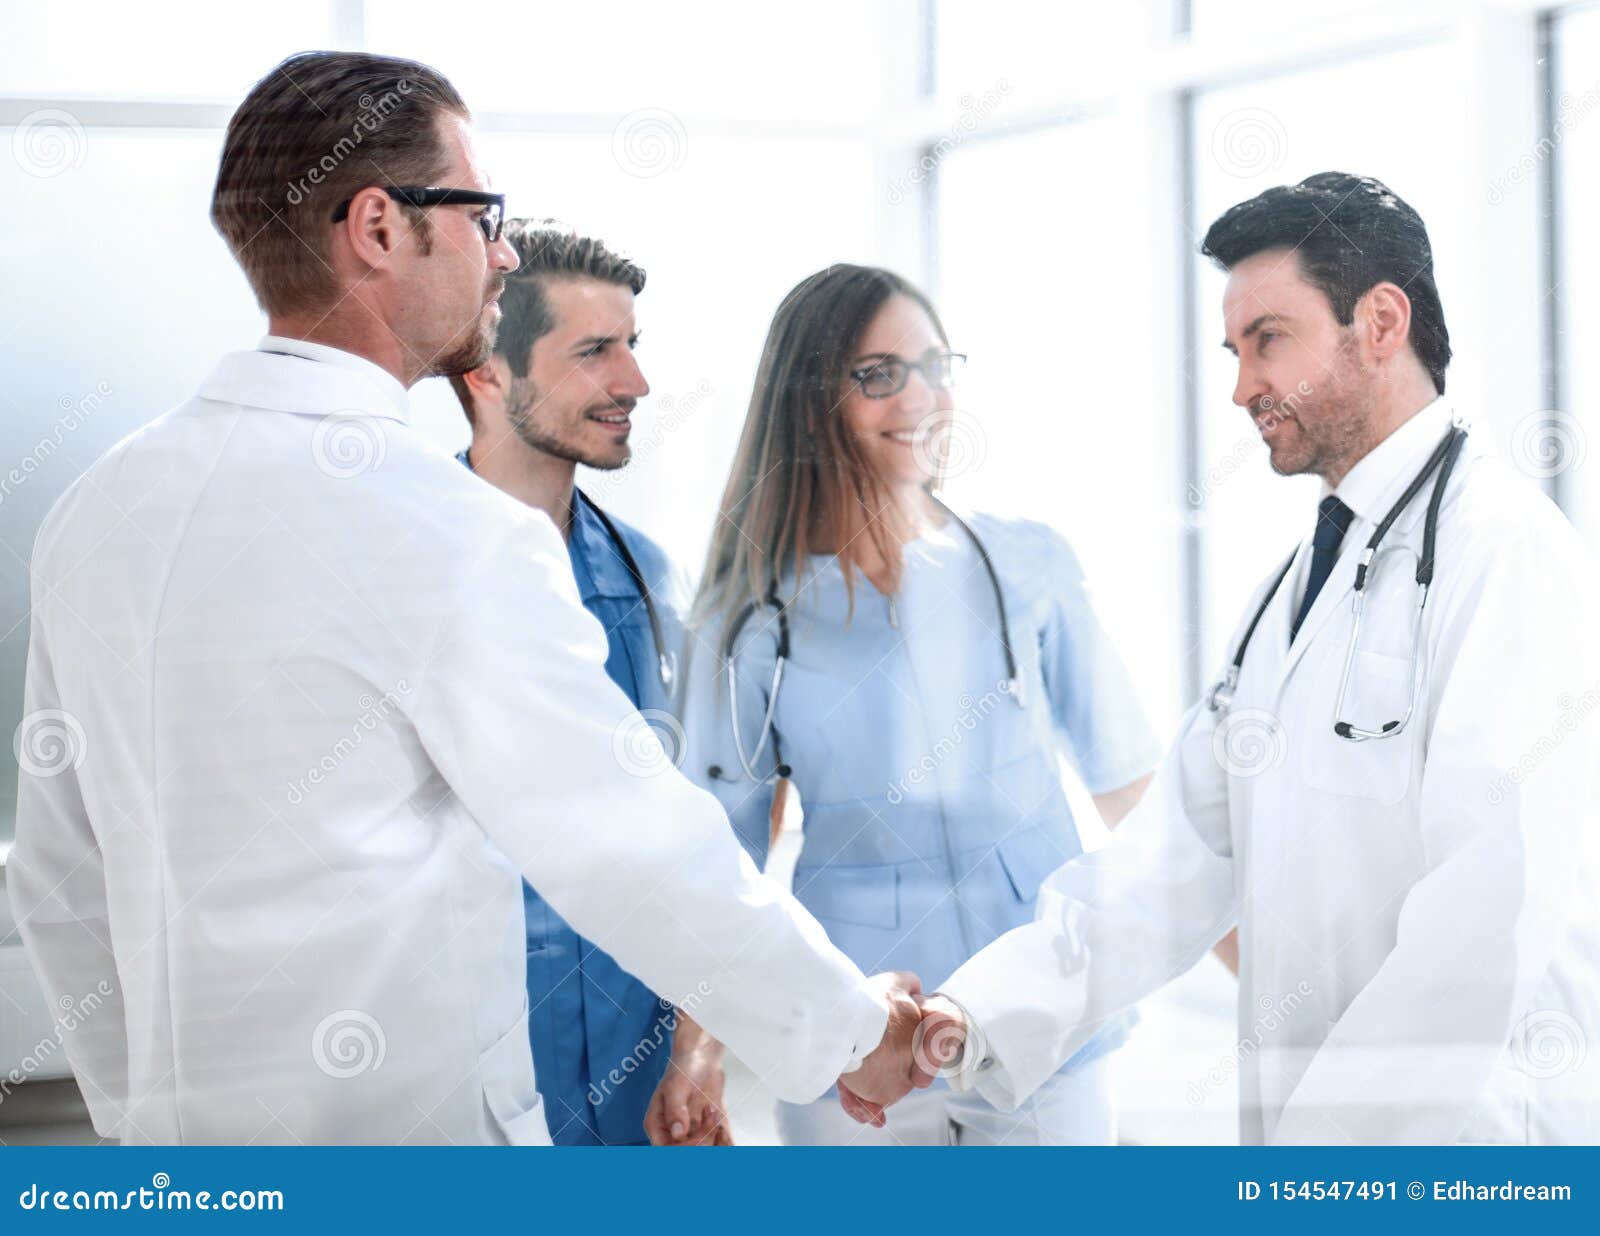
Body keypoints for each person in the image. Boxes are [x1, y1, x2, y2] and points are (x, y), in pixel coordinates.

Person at [5, 51, 934, 1146]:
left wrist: (140, 1128)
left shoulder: (99, 510)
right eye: (481, 213)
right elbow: (626, 841)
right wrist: (849, 1032)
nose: (503, 253)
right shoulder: (445, 531)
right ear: (380, 228)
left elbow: (62, 884)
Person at [893, 173, 1600, 1145]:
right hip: (1310, 1139)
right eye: (1234, 351)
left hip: (1458, 1145)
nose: (1240, 388)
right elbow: (1175, 856)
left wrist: (1327, 1149)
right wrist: (972, 1022)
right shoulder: (1302, 583)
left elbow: (1486, 909)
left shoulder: (1503, 556)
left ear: (1380, 322)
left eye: (1268, 339)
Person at [682, 264, 1161, 1145]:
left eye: (937, 366)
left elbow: (1142, 797)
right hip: (854, 1031)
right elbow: (716, 860)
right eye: (878, 374)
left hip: (1038, 1012)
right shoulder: (749, 614)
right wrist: (696, 1050)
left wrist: (1275, 982)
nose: (923, 397)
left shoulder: (1028, 564)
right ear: (812, 400)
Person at [447, 219, 724, 1146]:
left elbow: (702, 832)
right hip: (467, 1057)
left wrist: (698, 1049)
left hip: (634, 1064)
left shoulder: (648, 580)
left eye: (632, 348)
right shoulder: (409, 570)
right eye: (596, 352)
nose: (636, 383)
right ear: (487, 369)